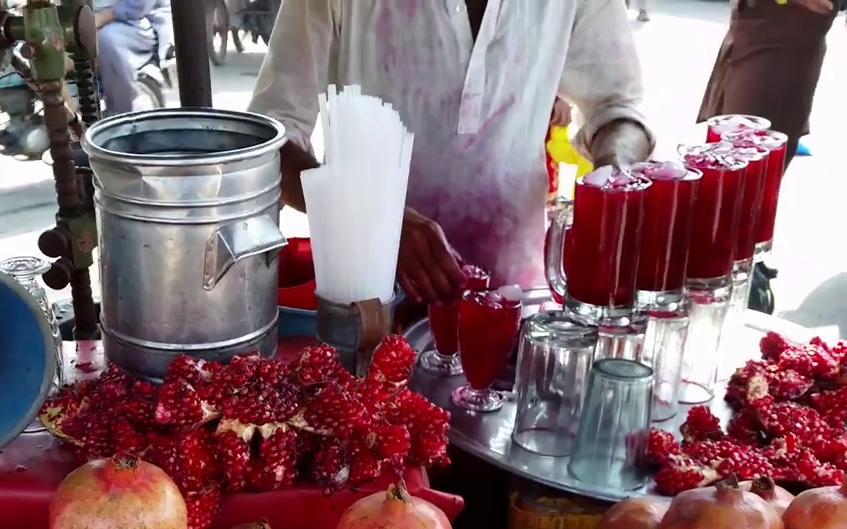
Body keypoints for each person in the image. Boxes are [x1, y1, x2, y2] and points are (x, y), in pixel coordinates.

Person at [248, 0, 654, 305]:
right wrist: (374, 218)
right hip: (370, 308)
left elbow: (618, 109)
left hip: (517, 301)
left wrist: (615, 179)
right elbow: (269, 145)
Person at [697, 0, 841, 313]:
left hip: (795, 38)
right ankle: (729, 272)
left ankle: (741, 263)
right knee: (739, 159)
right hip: (769, 33)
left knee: (764, 159)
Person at [95, 0, 167, 114]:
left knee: (108, 40)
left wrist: (101, 17)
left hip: (136, 19)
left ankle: (122, 116)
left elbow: (140, 5)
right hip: (87, 21)